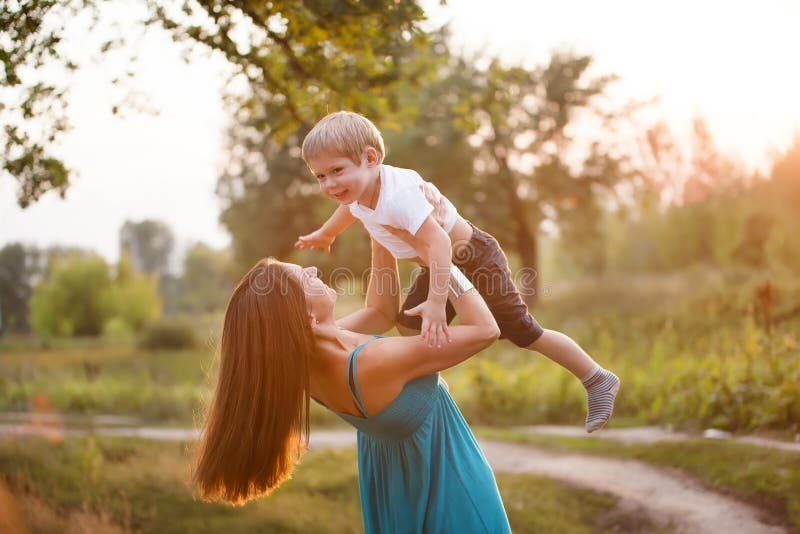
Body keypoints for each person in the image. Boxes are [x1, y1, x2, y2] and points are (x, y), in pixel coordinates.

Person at [295, 111, 619, 433]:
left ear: (370, 158)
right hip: (436, 264)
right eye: (320, 176)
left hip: (473, 259)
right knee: (408, 323)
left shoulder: (398, 196)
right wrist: (326, 233)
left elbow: (439, 242)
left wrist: (437, 302)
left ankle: (596, 378)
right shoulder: (359, 193)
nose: (330, 184)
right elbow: (348, 210)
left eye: (336, 171)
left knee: (522, 331)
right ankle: (432, 393)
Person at [193, 235, 512, 533]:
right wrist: (437, 256)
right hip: (447, 481)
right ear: (307, 317)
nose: (313, 270)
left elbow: (380, 312)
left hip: (398, 489)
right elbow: (484, 330)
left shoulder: (305, 362)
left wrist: (379, 233)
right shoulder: (371, 363)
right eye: (305, 278)